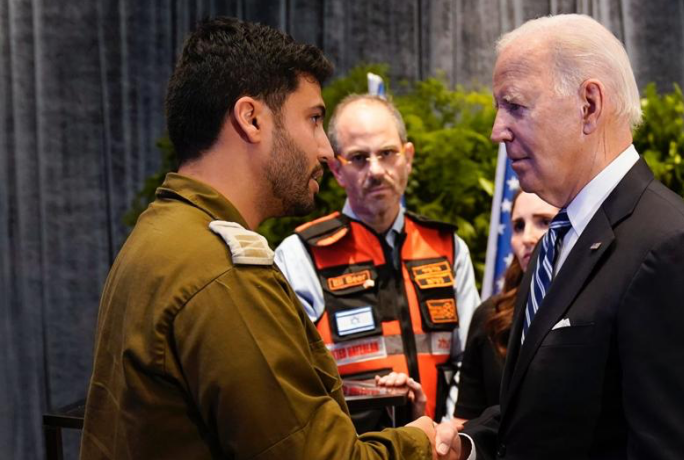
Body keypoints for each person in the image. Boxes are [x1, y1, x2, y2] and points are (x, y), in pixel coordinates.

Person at [80, 17, 461, 460]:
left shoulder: (159, 235)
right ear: (251, 119)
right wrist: (419, 442)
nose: (324, 149)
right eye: (314, 119)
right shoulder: (223, 273)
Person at [460, 14, 684, 459]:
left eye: (515, 106)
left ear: (589, 104)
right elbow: (549, 410)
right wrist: (467, 444)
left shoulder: (672, 247)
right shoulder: (562, 235)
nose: (497, 130)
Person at [274, 94, 480, 422]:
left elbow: (471, 364)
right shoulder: (301, 254)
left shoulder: (448, 248)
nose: (376, 170)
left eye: (387, 153)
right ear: (337, 170)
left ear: (407, 157)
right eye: (358, 158)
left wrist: (447, 438)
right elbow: (290, 380)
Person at [453, 191, 557, 423]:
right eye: (518, 226)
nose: (527, 238)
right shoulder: (490, 316)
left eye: (544, 222)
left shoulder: (595, 305)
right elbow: (464, 423)